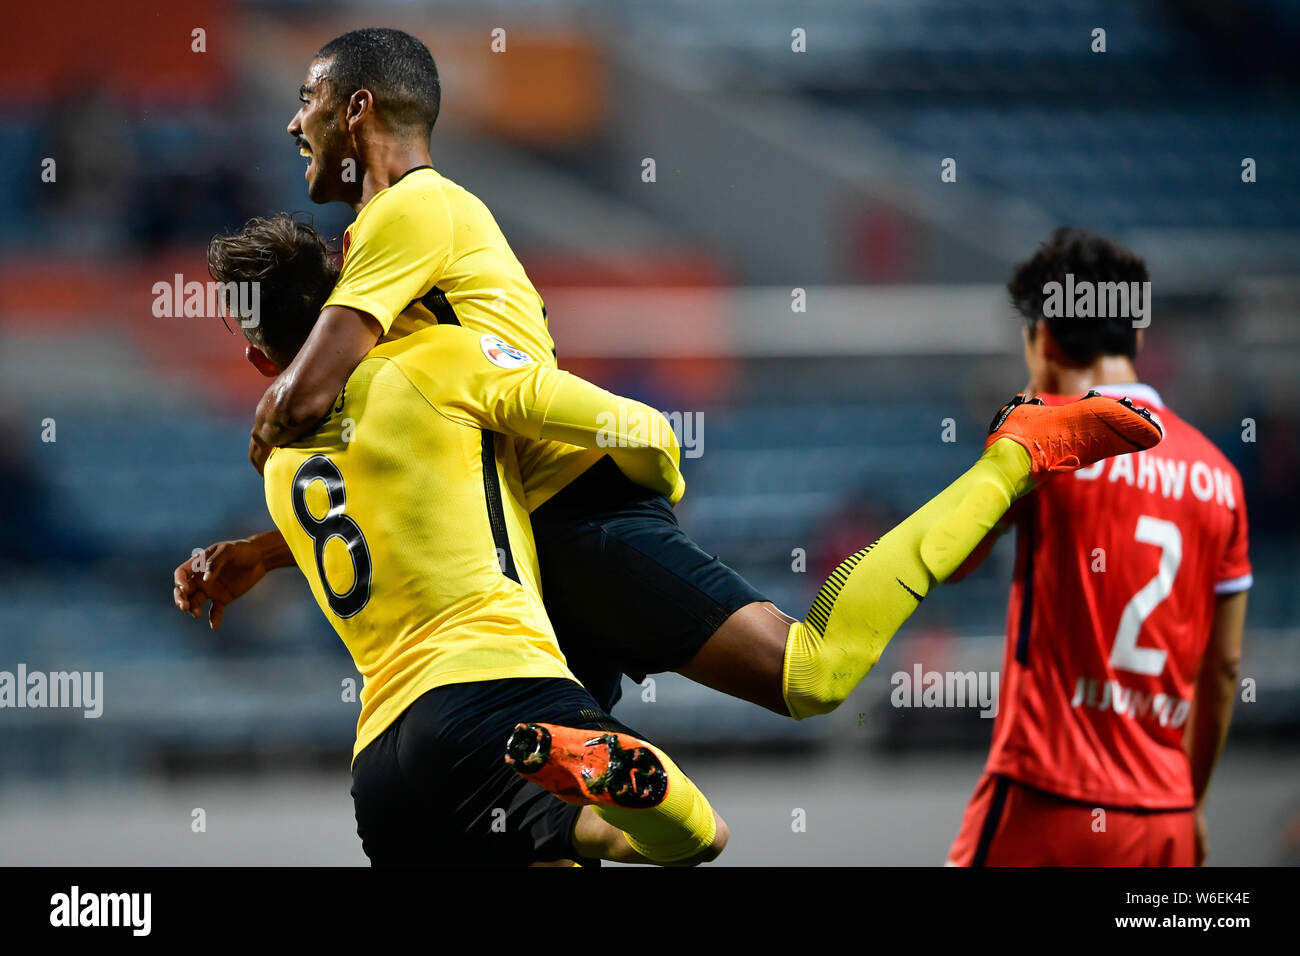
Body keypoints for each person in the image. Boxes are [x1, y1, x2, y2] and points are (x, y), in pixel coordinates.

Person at [176, 29, 1165, 723]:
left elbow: (299, 402)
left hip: (572, 518)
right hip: (515, 550)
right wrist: (268, 549)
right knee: (528, 814)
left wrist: (271, 427)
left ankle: (1015, 457)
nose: (292, 123)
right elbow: (400, 457)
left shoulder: (415, 210)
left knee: (809, 675)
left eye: (306, 100)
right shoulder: (372, 247)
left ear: (359, 108)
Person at [186, 214, 726, 867]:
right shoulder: (437, 360)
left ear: (259, 358)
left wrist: (259, 551)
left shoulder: (277, 468)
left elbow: (396, 504)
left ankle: (588, 790)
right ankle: (593, 775)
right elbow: (637, 429)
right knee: (694, 836)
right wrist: (658, 496)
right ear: (349, 299)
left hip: (386, 767)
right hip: (497, 689)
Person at [946, 228, 1251, 867]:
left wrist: (1001, 450)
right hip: (1163, 815)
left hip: (1043, 796)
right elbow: (1222, 669)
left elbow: (955, 561)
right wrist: (1187, 804)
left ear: (1043, 339)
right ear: (1138, 335)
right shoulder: (1221, 476)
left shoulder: (1041, 441)